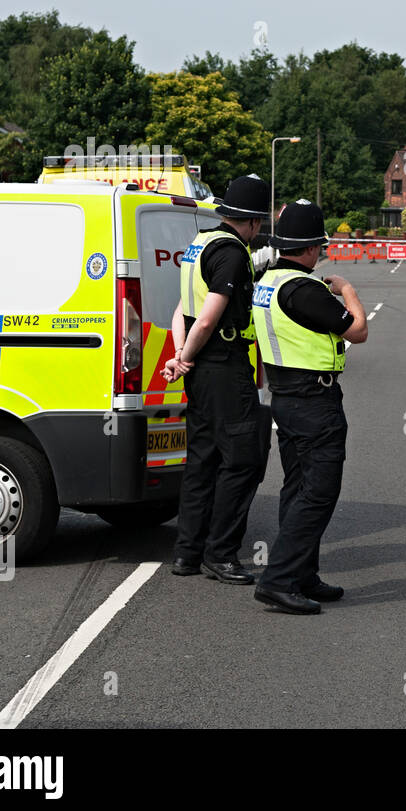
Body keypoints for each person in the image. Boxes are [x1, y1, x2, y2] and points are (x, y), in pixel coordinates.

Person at [251, 199, 368, 614]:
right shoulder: (304, 290)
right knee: (319, 491)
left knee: (297, 486)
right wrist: (349, 292)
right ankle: (279, 578)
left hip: (286, 396)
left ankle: (301, 574)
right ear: (311, 248)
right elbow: (358, 331)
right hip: (313, 399)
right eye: (320, 245)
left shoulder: (267, 281)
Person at [164, 174, 272, 585]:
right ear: (254, 223)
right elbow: (208, 318)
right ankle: (221, 554)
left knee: (202, 460)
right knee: (242, 461)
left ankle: (187, 553)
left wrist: (179, 357)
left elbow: (182, 310)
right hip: (224, 369)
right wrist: (187, 356)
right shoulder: (232, 253)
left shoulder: (199, 245)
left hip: (199, 373)